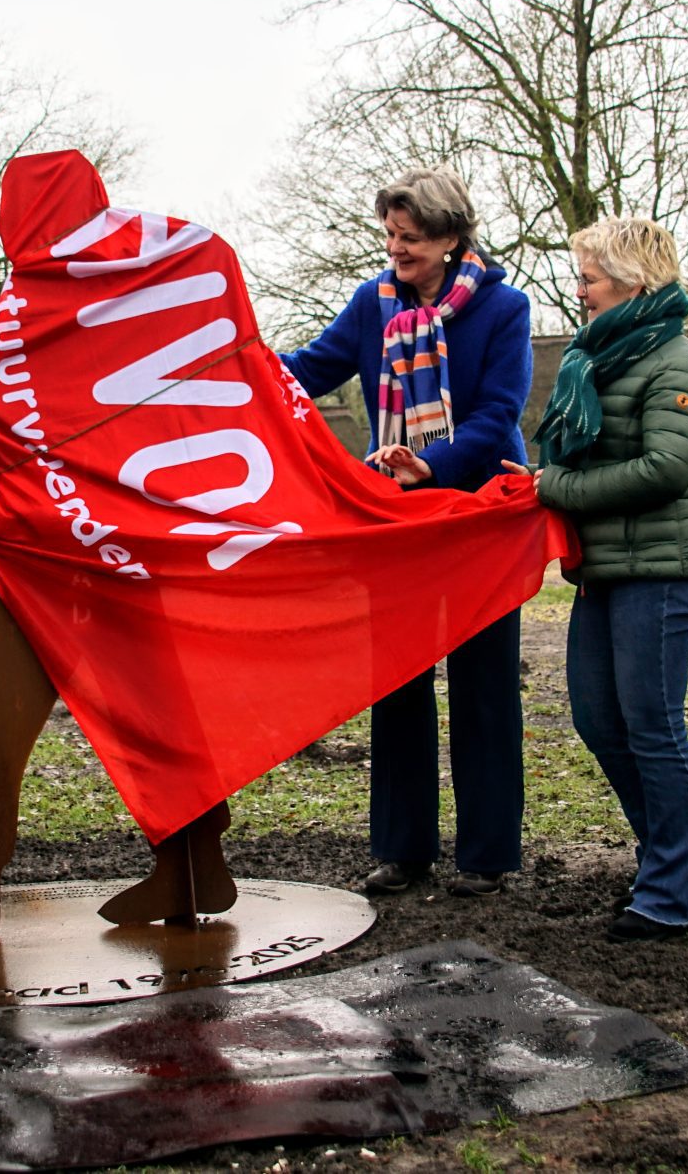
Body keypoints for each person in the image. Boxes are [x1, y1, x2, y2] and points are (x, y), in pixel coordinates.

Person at [280, 168, 533, 898]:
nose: (395, 248)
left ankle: (487, 855)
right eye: (389, 234)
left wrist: (433, 464)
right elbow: (307, 370)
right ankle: (402, 849)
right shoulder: (371, 303)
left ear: (453, 238)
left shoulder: (503, 308)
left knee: (484, 685)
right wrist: (242, 368)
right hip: (394, 521)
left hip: (477, 515)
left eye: (411, 237)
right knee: (396, 679)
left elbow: (498, 412)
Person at [515, 217, 688, 942]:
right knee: (600, 721)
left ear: (634, 282)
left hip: (662, 573)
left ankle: (672, 890)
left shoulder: (677, 363)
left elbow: (664, 470)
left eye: (590, 278)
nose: (580, 291)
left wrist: (557, 487)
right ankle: (681, 862)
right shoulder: (599, 357)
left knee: (653, 727)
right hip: (604, 569)